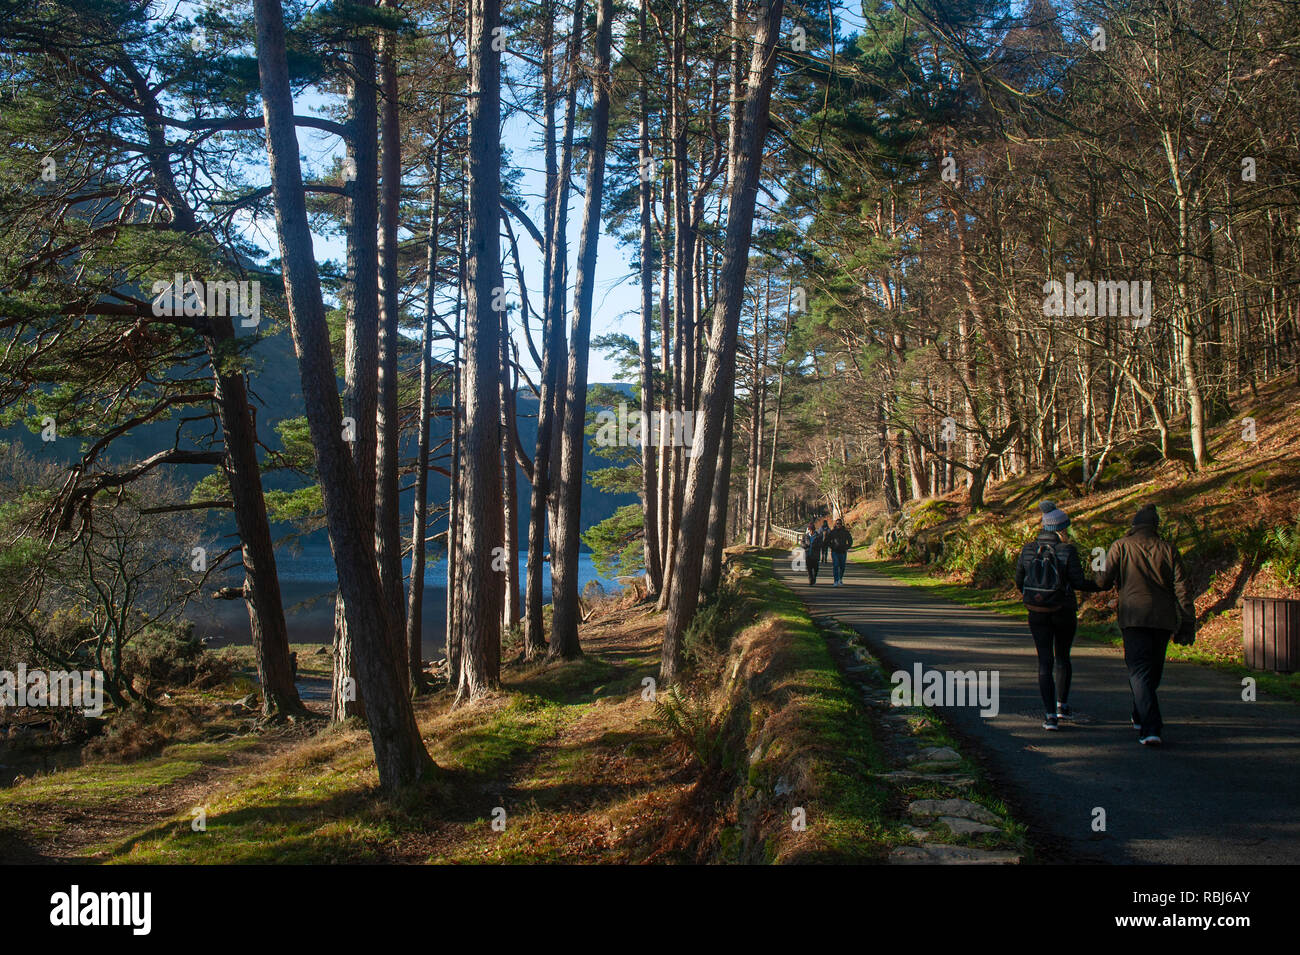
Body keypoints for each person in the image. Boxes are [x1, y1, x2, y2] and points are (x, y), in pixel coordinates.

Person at [1095, 504, 1195, 746]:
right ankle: (1141, 714)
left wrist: (1096, 563)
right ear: (1156, 526)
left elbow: (1102, 581)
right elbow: (1182, 588)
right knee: (1153, 670)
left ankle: (1150, 726)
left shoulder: (1121, 546)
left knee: (1138, 671)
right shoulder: (1168, 549)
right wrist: (1188, 622)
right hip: (1163, 618)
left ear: (1134, 525)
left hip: (1133, 617)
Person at [1014, 501, 1100, 731]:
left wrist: (1034, 597)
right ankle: (1062, 705)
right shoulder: (1067, 550)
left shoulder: (1029, 549)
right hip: (1064, 611)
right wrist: (1102, 585)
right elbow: (1079, 583)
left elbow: (1019, 581)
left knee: (1044, 661)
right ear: (1061, 529)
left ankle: (1049, 715)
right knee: (1062, 657)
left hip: (1037, 612)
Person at [827, 518, 853, 586]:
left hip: (843, 552)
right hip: (835, 551)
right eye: (837, 524)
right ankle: (835, 580)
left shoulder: (845, 532)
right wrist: (832, 546)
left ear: (841, 524)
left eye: (840, 524)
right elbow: (828, 541)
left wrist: (846, 547)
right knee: (835, 565)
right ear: (836, 524)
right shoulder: (832, 532)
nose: (838, 525)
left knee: (842, 566)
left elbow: (850, 540)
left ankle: (840, 579)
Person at [802, 521, 821, 585]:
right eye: (810, 530)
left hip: (815, 555)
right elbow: (802, 543)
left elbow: (821, 544)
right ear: (808, 529)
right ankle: (810, 579)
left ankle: (814, 577)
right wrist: (805, 546)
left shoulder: (818, 536)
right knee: (809, 568)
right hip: (808, 554)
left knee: (816, 568)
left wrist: (816, 546)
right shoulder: (805, 536)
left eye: (812, 530)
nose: (811, 531)